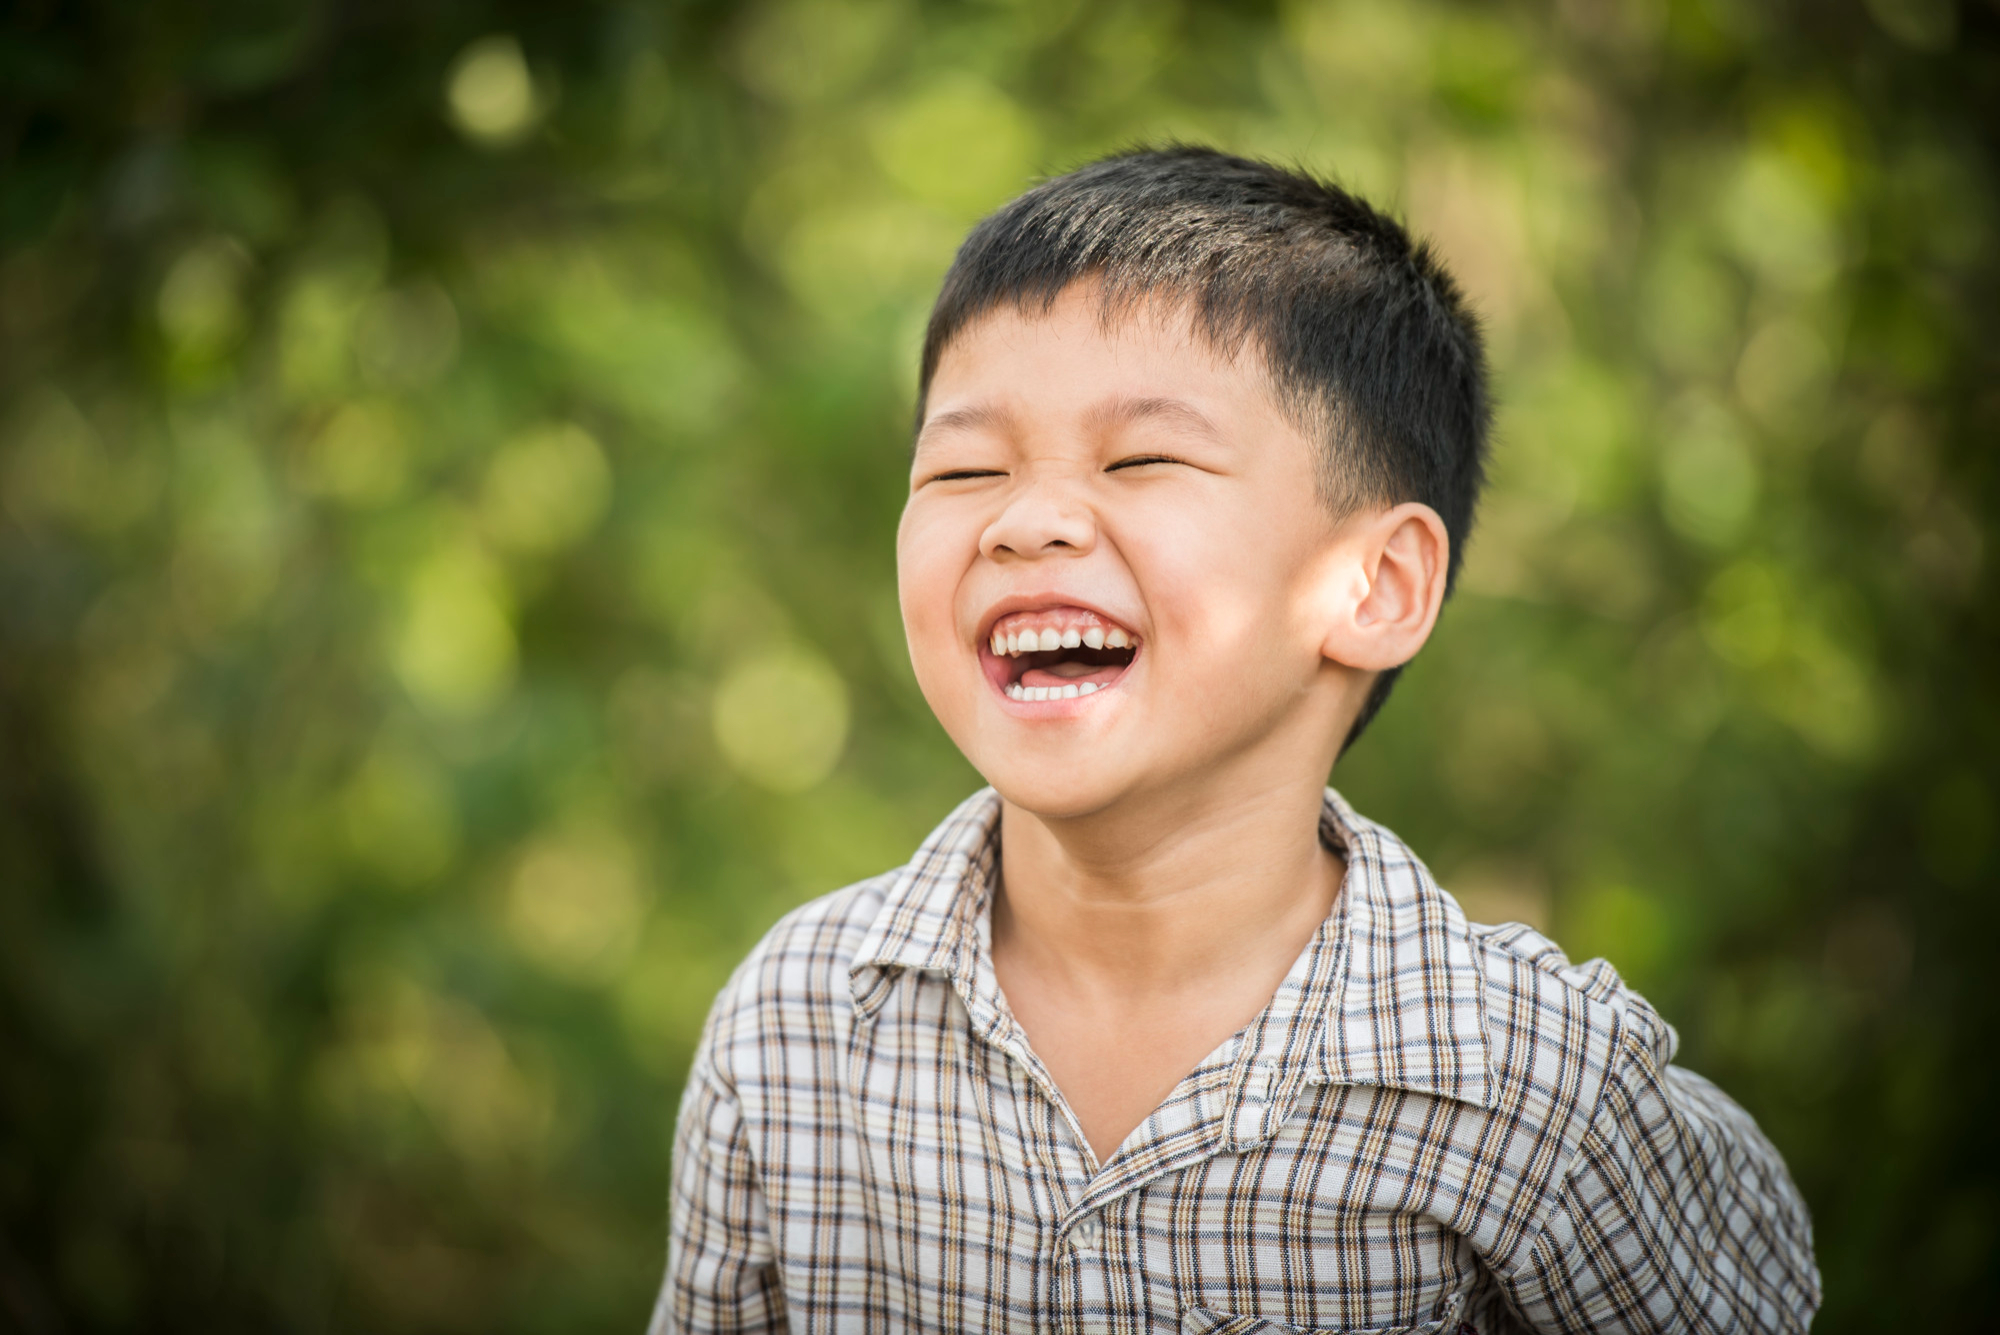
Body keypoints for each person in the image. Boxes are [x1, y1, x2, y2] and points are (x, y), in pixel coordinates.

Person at [651, 147, 1819, 1334]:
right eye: (963, 467)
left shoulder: (1529, 1083)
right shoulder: (793, 1023)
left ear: (1372, 586)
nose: (1027, 520)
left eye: (1141, 459)